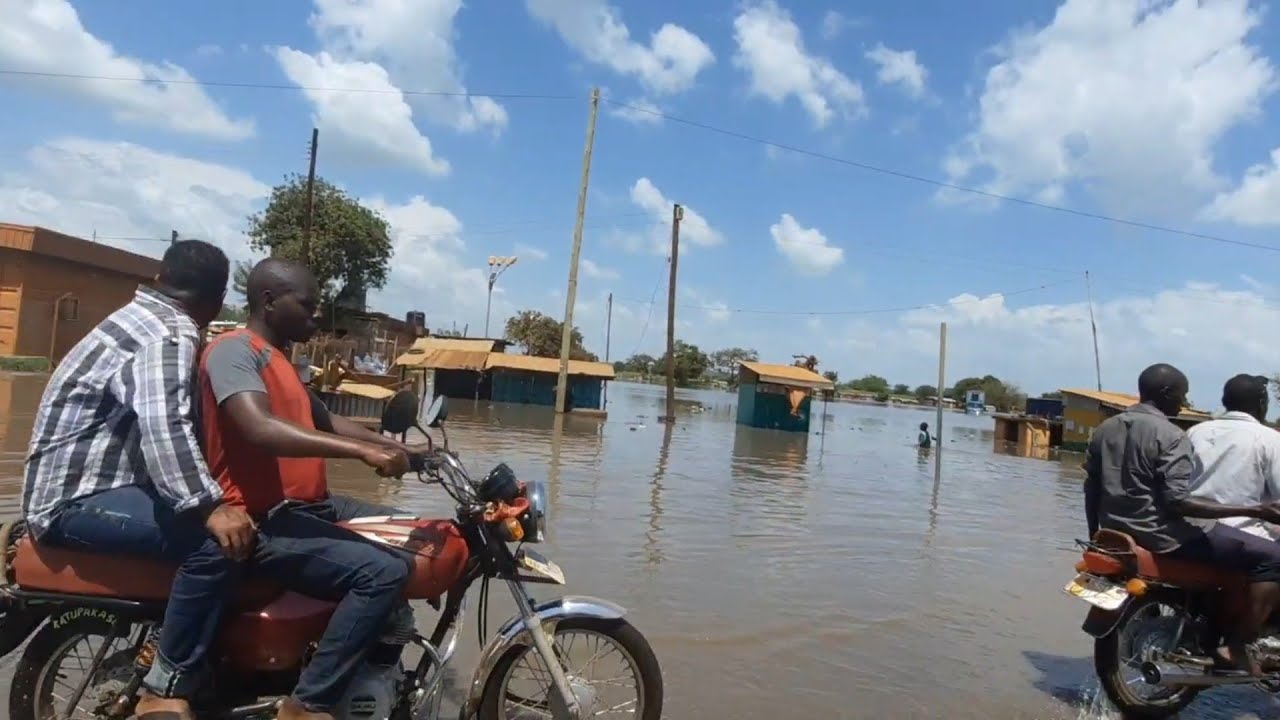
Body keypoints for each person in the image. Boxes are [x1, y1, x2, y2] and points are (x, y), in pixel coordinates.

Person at [22, 240, 254, 720]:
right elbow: (165, 425)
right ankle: (164, 689)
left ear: (156, 278)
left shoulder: (137, 318)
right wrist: (210, 507)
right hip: (77, 500)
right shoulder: (167, 336)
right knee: (216, 544)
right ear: (215, 304)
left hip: (102, 489)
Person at [199, 257, 421, 720]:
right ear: (268, 301)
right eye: (308, 305)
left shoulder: (280, 360)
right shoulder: (233, 350)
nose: (316, 316)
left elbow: (328, 421)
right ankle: (307, 704)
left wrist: (405, 450)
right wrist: (360, 454)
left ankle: (366, 666)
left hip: (290, 508)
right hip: (255, 517)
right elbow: (259, 428)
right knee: (380, 573)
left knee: (404, 546)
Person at [1085, 363, 1280, 674]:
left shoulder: (1108, 429)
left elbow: (1091, 489)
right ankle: (1238, 645)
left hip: (1120, 530)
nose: (1183, 403)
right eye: (1182, 396)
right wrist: (1253, 510)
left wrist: (1097, 533)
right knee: (1273, 558)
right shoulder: (1173, 434)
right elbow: (1177, 501)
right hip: (1170, 533)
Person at [1188, 374, 1280, 540]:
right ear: (1262, 404)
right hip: (1244, 533)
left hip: (1191, 529)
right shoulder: (1270, 439)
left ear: (1224, 401)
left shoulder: (1196, 431)